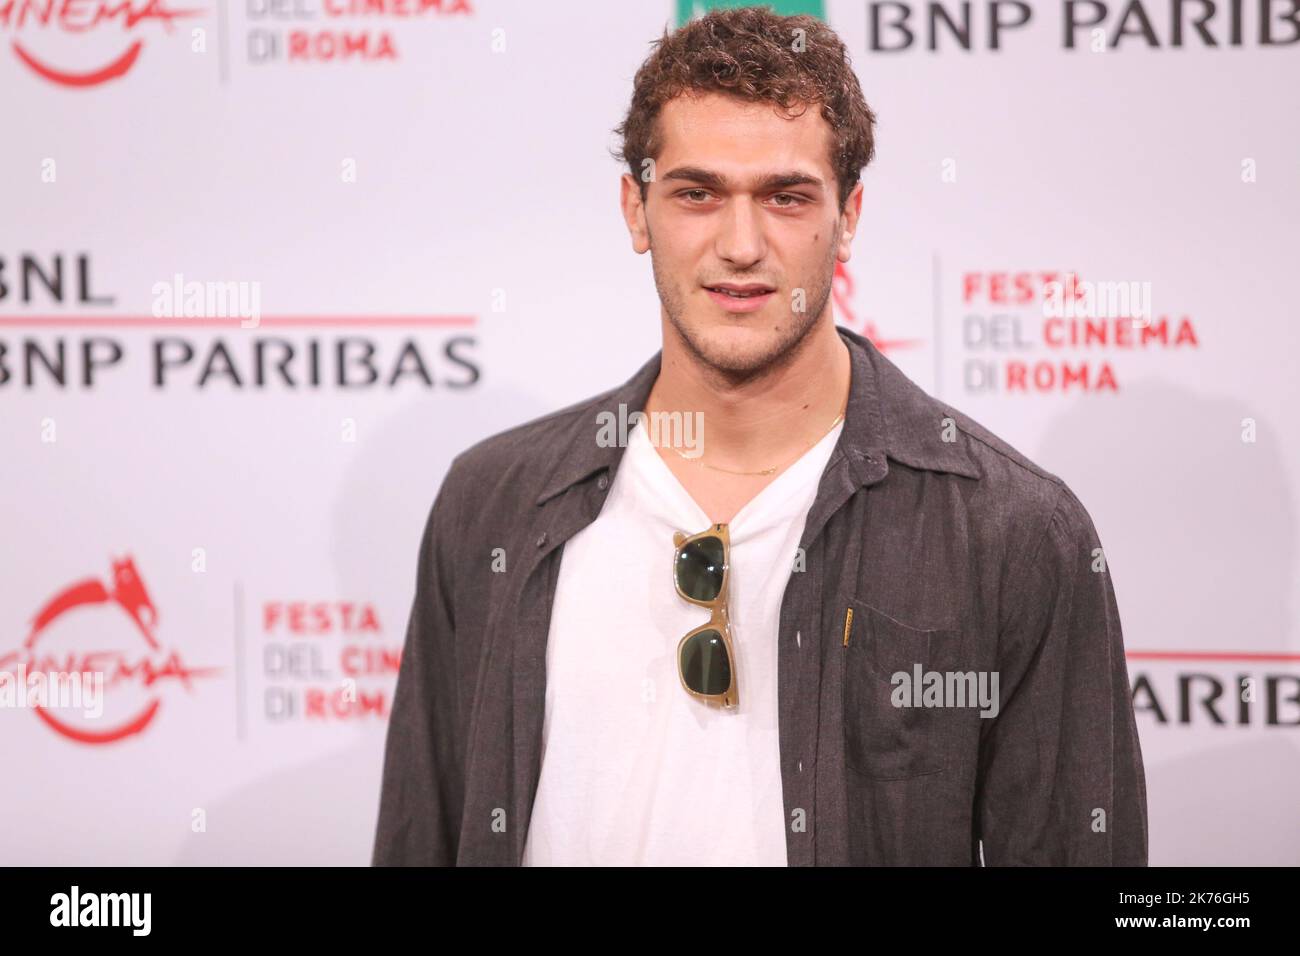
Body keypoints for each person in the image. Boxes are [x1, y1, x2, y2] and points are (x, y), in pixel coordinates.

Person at [372, 5, 1148, 866]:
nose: (741, 246)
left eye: (785, 197)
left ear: (848, 217)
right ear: (637, 209)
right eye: (696, 193)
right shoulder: (494, 503)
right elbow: (421, 836)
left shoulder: (1012, 532)